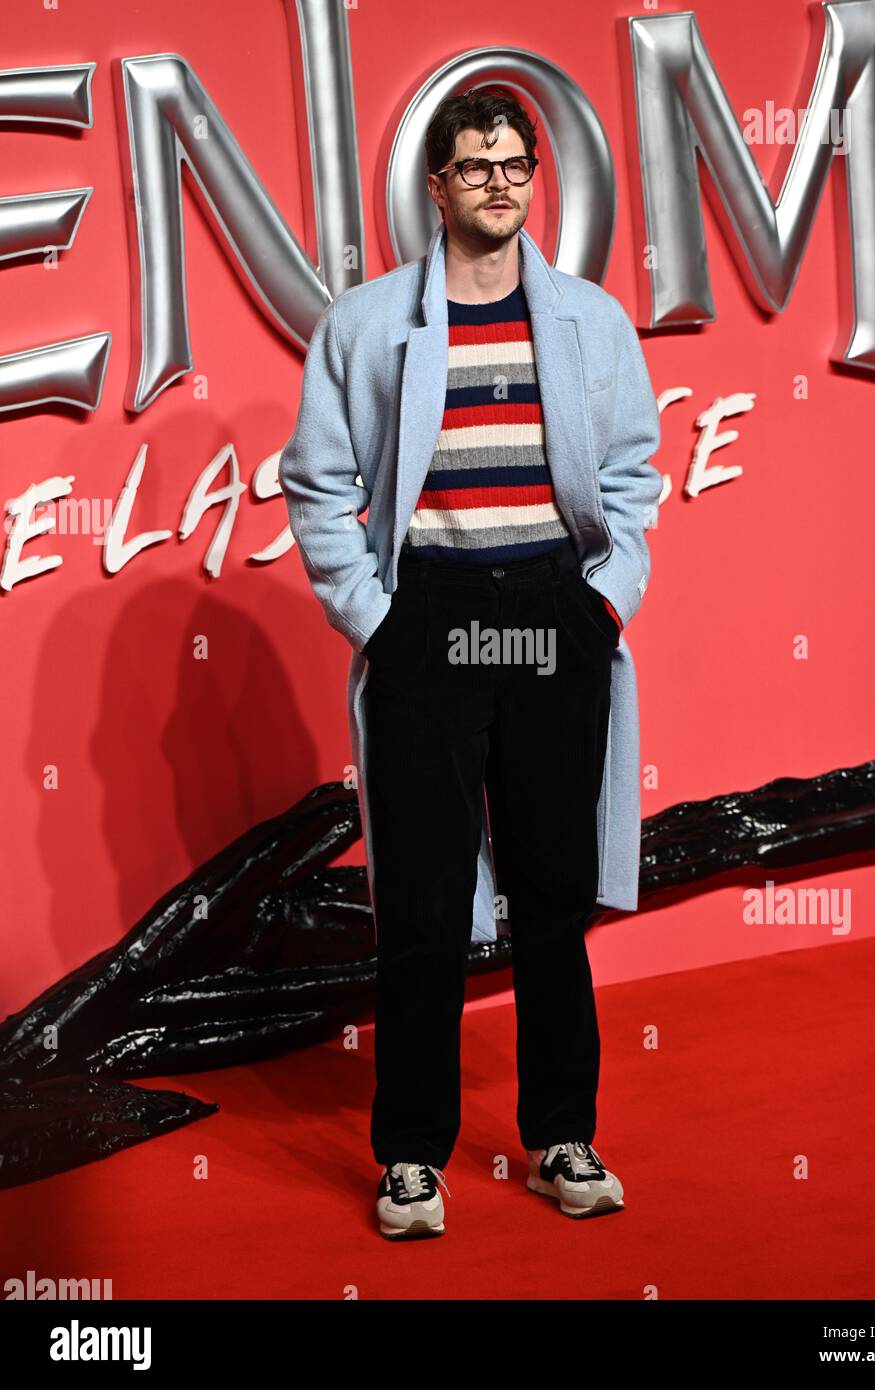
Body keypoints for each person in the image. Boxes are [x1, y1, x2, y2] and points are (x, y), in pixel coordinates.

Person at [278, 86, 662, 1240]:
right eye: (474, 164)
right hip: (426, 620)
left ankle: (559, 1134)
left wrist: (602, 602)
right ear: (434, 187)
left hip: (554, 609)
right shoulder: (362, 323)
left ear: (530, 179)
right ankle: (409, 1156)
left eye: (515, 163)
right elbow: (314, 480)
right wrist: (373, 615)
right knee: (425, 902)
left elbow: (636, 474)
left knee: (551, 891)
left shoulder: (594, 321)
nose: (499, 181)